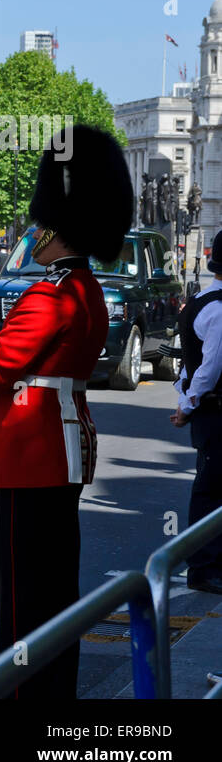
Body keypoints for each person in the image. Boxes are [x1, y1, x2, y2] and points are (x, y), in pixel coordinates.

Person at [0, 125, 134, 699]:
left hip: (32, 452)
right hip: (60, 444)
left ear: (51, 229)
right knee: (54, 588)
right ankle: (53, 692)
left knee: (23, 594)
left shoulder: (50, 293)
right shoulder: (87, 288)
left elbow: (0, 366)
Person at [170, 227, 222, 595]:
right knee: (210, 490)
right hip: (216, 411)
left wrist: (185, 401)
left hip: (208, 409)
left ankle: (208, 564)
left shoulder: (205, 302)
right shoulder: (218, 309)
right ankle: (203, 568)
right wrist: (189, 404)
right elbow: (209, 367)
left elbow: (190, 365)